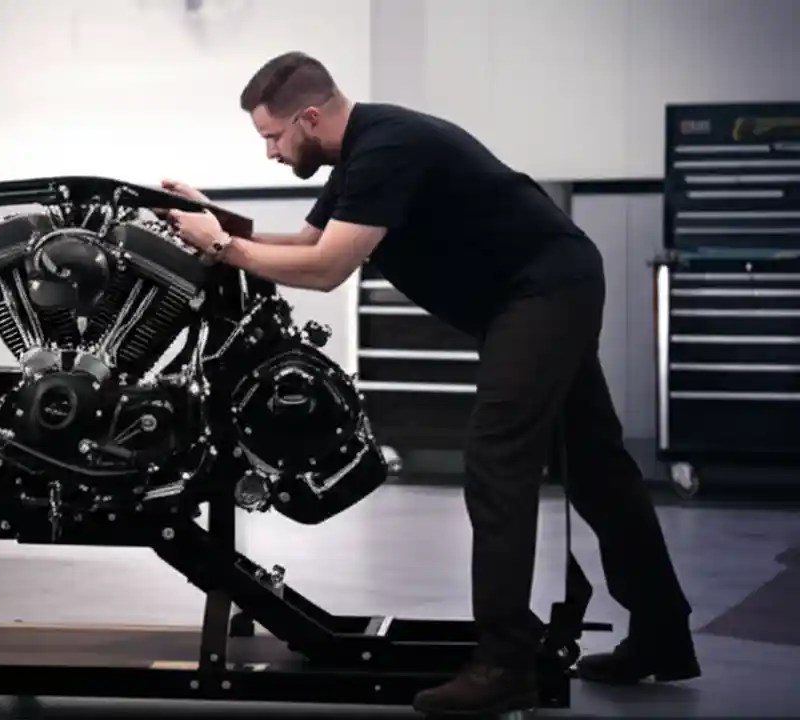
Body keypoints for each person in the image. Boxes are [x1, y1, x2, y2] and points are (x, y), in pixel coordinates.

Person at [159, 51, 700, 716]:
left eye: (273, 137)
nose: (270, 153)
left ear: (309, 118)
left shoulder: (388, 148)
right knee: (597, 467)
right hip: (541, 289)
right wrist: (214, 224)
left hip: (543, 291)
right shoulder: (358, 155)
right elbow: (303, 241)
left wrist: (222, 247)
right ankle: (663, 635)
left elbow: (326, 269)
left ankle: (504, 666)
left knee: (498, 462)